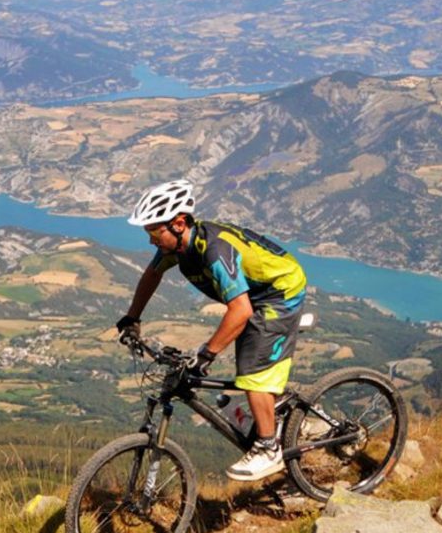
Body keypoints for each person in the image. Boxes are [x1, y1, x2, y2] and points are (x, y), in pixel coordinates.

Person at [116, 179, 307, 481]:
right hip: (254, 294)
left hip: (278, 292)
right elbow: (152, 274)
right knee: (247, 357)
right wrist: (132, 318)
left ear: (179, 223)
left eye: (154, 232)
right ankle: (280, 412)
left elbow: (241, 310)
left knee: (252, 369)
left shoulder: (213, 251)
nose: (151, 241)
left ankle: (269, 448)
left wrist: (206, 354)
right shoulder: (178, 246)